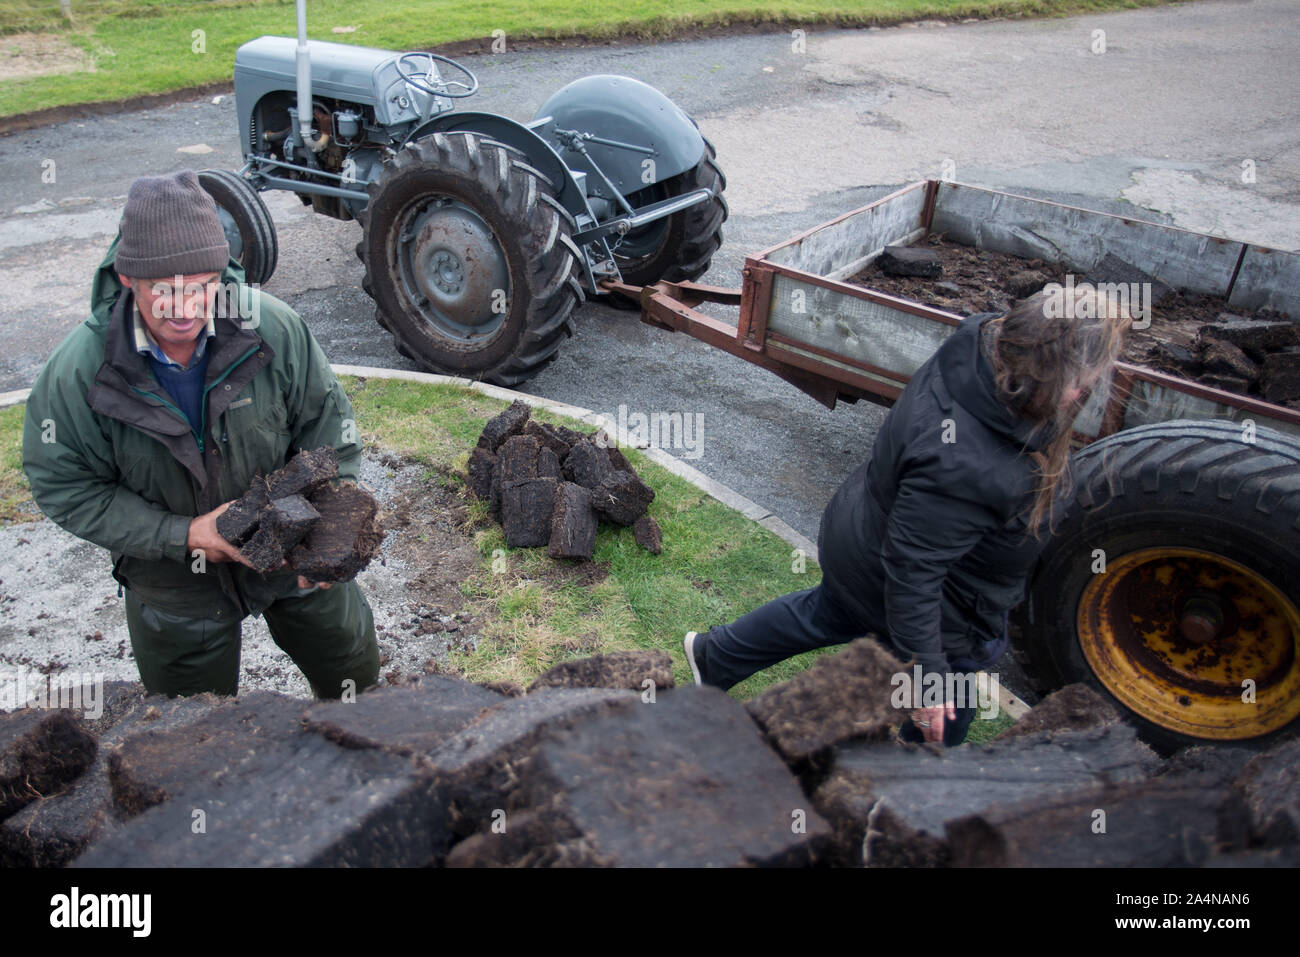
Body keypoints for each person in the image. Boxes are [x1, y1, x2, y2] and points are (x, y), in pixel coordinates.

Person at [684, 286, 1131, 745]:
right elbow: (914, 574)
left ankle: (715, 655)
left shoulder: (981, 346)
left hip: (867, 532)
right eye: (1090, 375)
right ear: (1057, 378)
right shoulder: (968, 465)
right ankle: (901, 794)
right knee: (949, 710)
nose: (1093, 385)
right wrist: (929, 682)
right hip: (928, 593)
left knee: (829, 611)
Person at [22, 169, 380, 699]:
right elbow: (65, 485)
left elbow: (329, 431)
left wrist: (328, 532)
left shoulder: (274, 329)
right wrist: (184, 535)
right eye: (163, 290)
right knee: (191, 729)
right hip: (175, 586)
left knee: (353, 678)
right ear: (128, 278)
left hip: (291, 556)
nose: (186, 309)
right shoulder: (80, 371)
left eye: (203, 287)